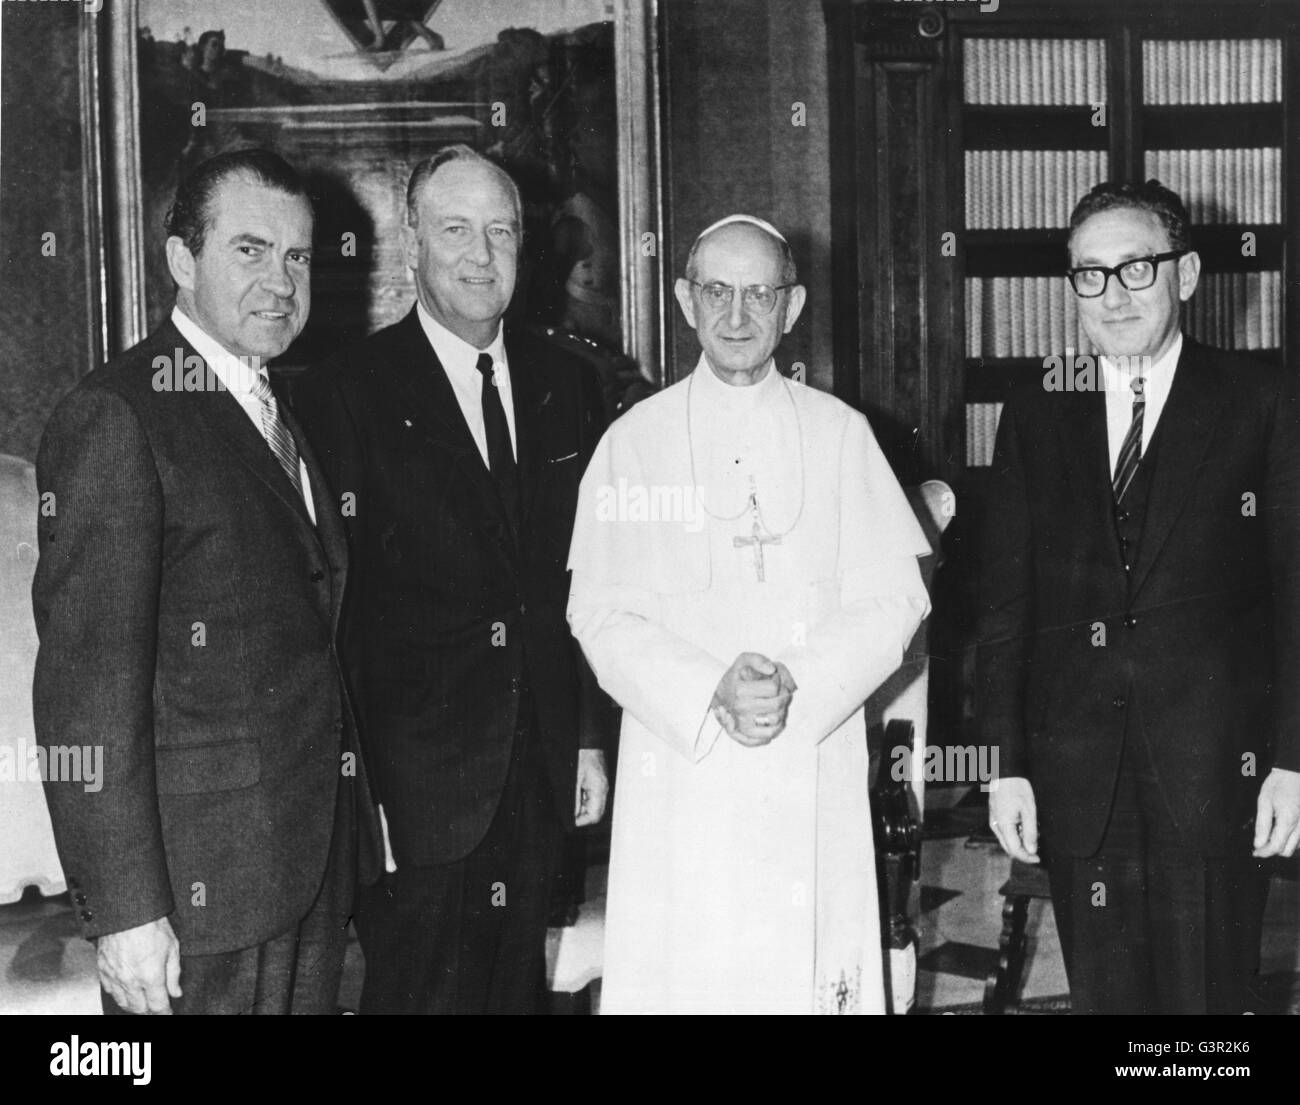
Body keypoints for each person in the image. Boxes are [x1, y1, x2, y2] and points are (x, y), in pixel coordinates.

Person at [32, 148, 379, 1015]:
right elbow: (84, 692)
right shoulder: (122, 414)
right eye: (251, 251)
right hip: (198, 898)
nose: (281, 282)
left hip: (305, 870)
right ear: (182, 262)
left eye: (298, 257)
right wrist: (124, 912)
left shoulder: (274, 412)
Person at [566, 214, 931, 1014]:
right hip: (681, 768)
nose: (736, 315)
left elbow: (894, 597)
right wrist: (710, 689)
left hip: (811, 756)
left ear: (792, 307)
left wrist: (795, 682)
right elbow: (599, 614)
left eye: (759, 293)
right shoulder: (633, 444)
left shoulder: (841, 436)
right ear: (684, 301)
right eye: (717, 292)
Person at [291, 145, 613, 1015]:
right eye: (456, 230)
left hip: (537, 769)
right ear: (412, 248)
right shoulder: (345, 393)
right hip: (415, 790)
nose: (481, 254)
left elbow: (583, 581)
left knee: (517, 998)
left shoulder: (569, 386)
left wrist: (584, 735)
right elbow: (336, 616)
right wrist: (363, 791)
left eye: (501, 231)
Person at [980, 179, 1300, 1015]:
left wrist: (1294, 761)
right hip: (1080, 776)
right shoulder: (1036, 413)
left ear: (1187, 276)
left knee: (1205, 1022)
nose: (1111, 296)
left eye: (1136, 269)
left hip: (1217, 771)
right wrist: (1006, 764)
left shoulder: (1262, 403)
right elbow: (1007, 604)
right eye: (1090, 274)